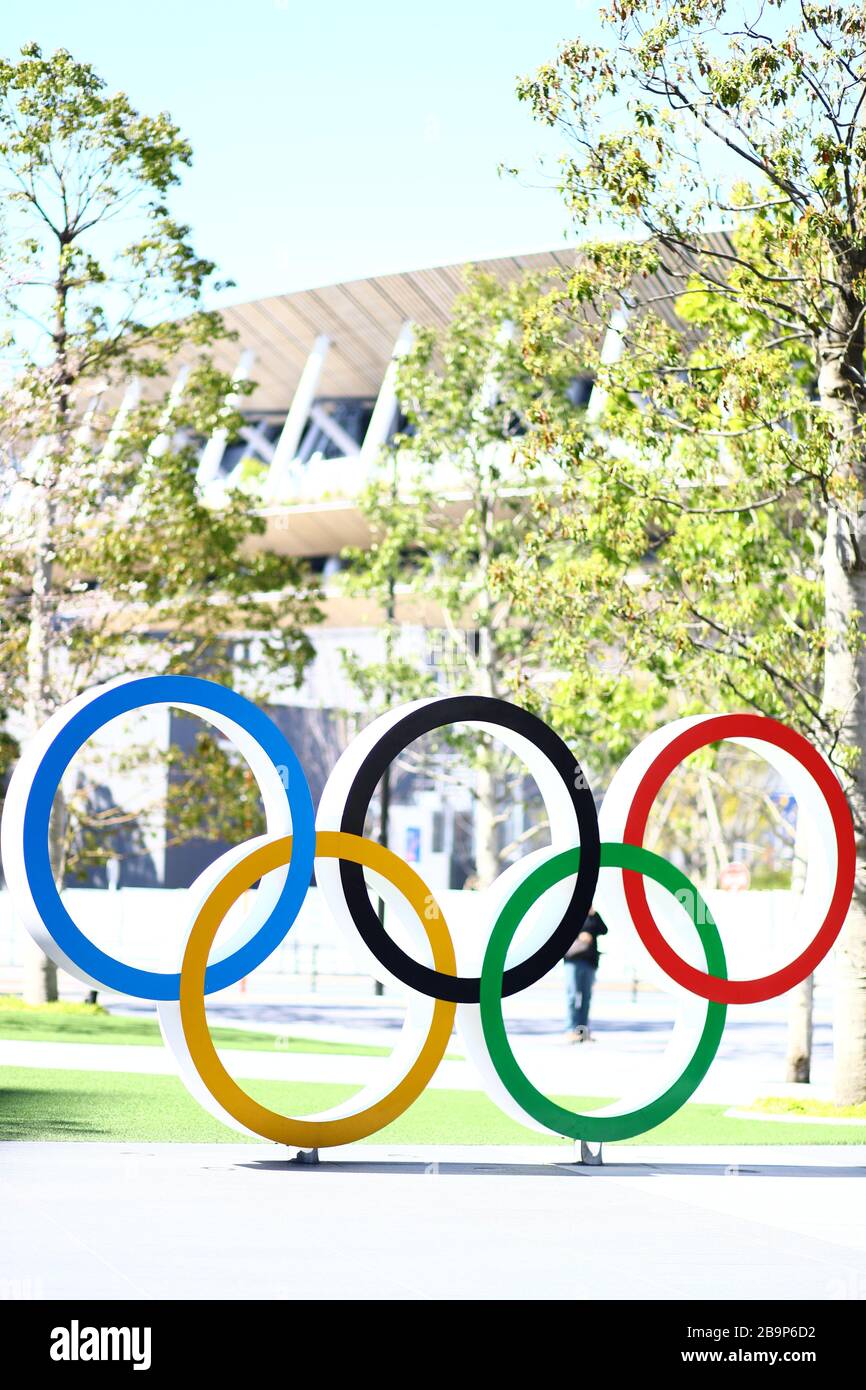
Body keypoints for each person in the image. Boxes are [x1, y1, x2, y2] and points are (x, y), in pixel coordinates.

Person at [563, 906, 607, 1042]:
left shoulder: (593, 916)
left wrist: (593, 915)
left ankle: (582, 1031)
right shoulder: (571, 913)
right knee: (572, 995)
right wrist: (580, 935)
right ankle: (570, 1030)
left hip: (590, 962)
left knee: (586, 998)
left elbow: (603, 930)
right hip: (573, 960)